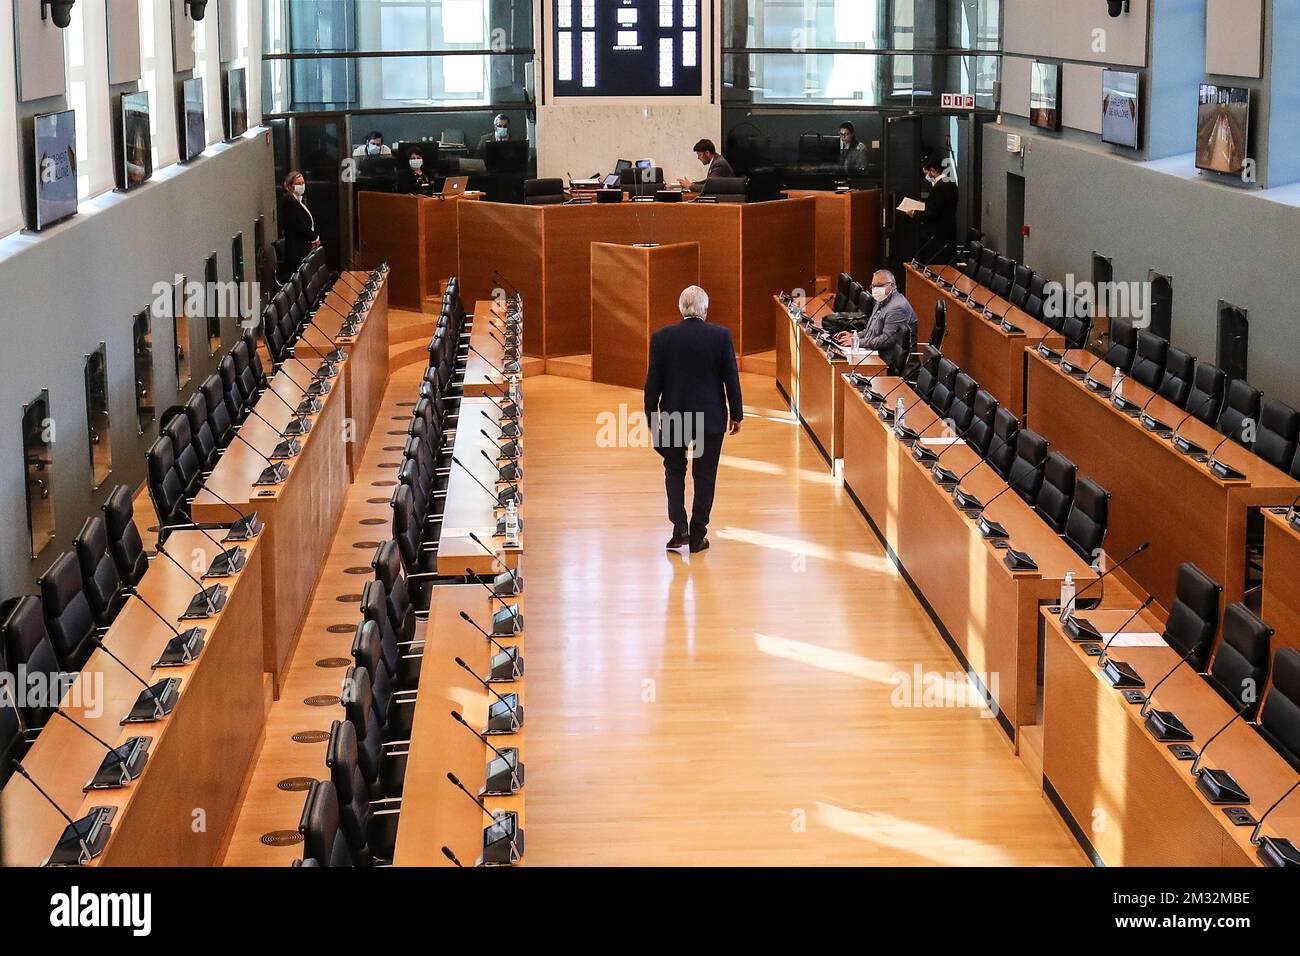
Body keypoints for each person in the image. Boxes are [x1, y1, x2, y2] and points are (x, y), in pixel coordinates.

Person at [644, 286, 744, 553]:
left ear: (681, 308)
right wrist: (737, 414)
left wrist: (653, 424)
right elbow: (730, 377)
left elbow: (652, 385)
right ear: (705, 309)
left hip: (675, 416)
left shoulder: (662, 337)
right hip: (710, 418)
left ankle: (680, 529)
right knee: (705, 476)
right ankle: (698, 536)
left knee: (674, 471)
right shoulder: (720, 336)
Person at [834, 270, 917, 374]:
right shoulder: (881, 301)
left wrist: (858, 342)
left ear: (893, 285)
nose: (876, 289)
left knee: (847, 368)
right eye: (873, 286)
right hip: (875, 353)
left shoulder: (897, 308)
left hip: (887, 362)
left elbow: (886, 340)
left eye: (880, 285)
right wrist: (854, 337)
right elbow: (871, 330)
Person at [905, 156, 959, 261]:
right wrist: (926, 204)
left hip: (938, 237)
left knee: (936, 267)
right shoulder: (951, 184)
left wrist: (914, 213)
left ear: (932, 170)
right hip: (949, 233)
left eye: (926, 173)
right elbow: (940, 206)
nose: (927, 176)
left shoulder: (938, 188)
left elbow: (931, 214)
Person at [279, 171, 319, 274]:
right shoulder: (289, 201)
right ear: (290, 186)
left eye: (303, 183)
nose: (302, 186)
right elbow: (300, 224)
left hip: (303, 245)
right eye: (298, 184)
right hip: (297, 249)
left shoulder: (296, 200)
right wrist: (314, 237)